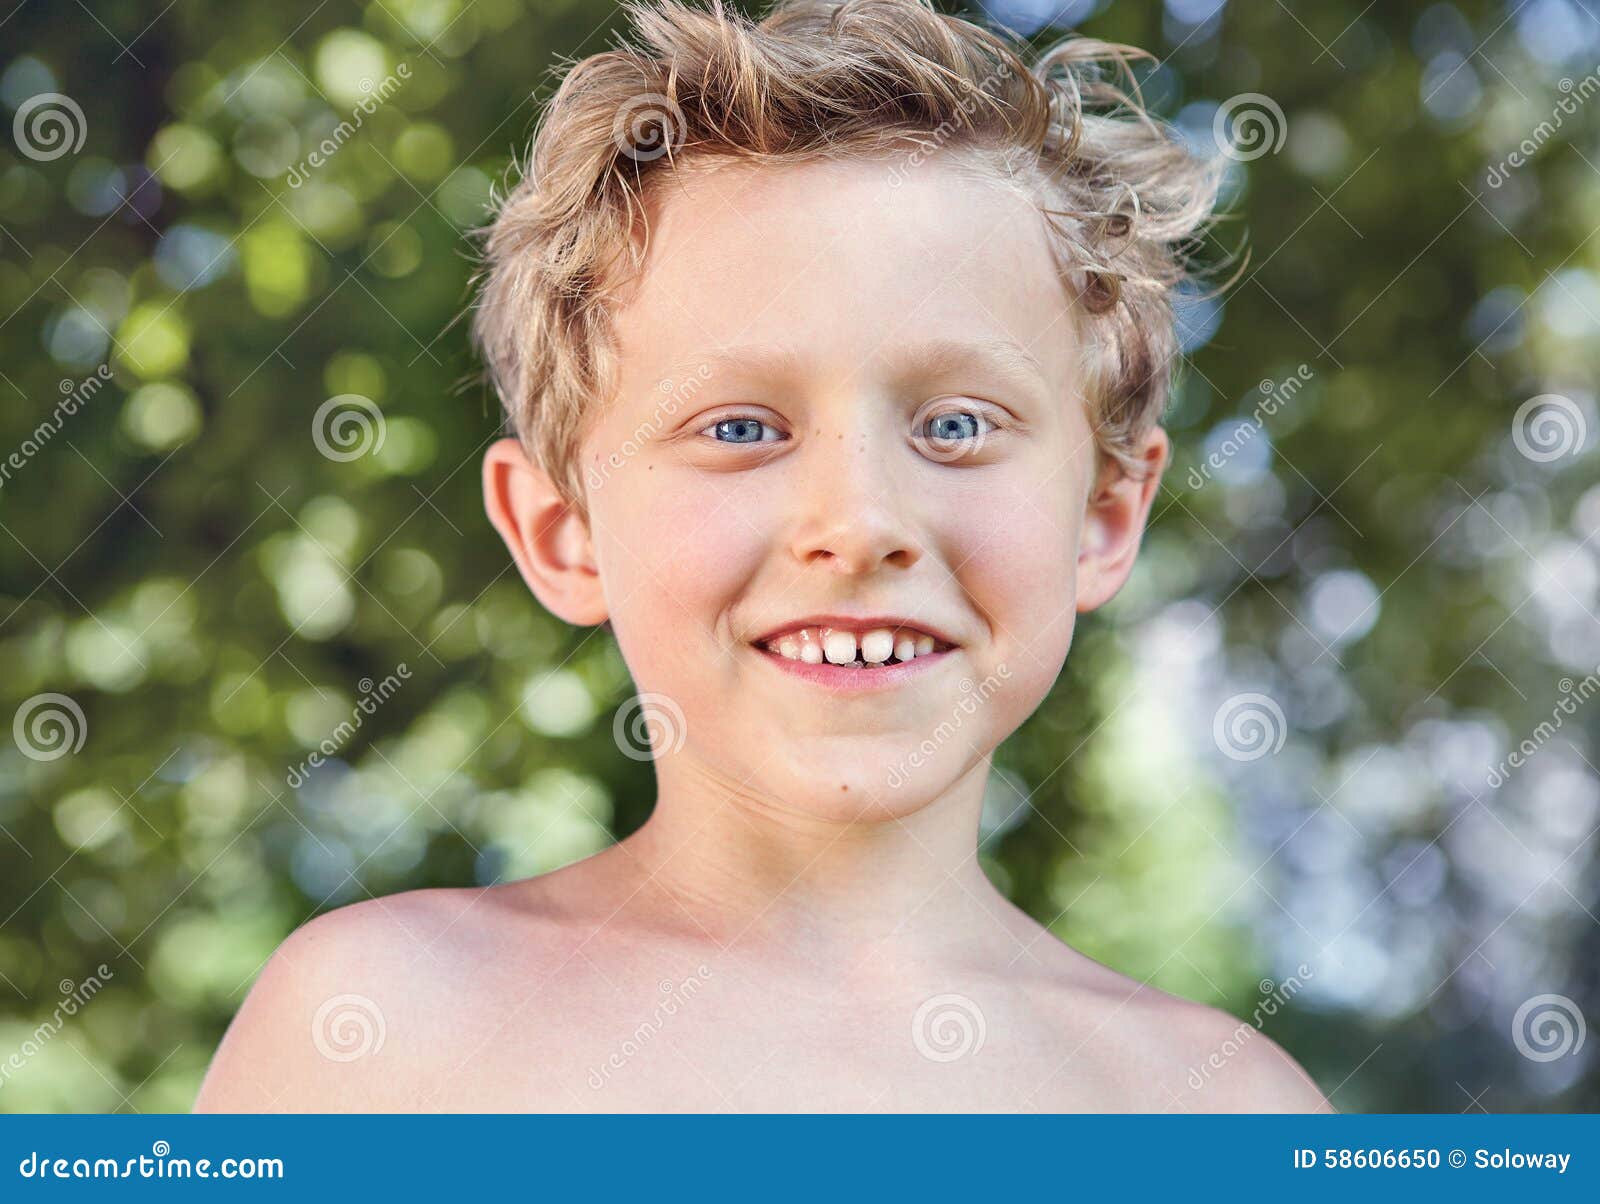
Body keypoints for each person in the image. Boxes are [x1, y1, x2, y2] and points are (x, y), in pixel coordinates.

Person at [196, 0, 1330, 1113]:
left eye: (955, 426)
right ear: (562, 530)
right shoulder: (378, 1032)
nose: (859, 519)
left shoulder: (1219, 1113)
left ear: (1104, 516)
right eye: (741, 428)